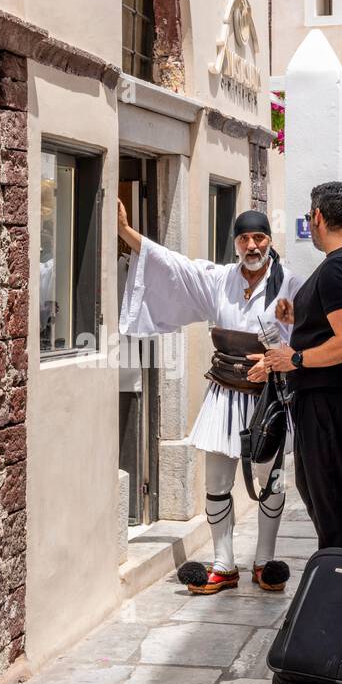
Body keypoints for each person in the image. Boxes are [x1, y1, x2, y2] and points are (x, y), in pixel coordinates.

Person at [118, 201, 302, 595]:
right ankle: (224, 564)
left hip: (269, 398)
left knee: (271, 482)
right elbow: (173, 266)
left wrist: (273, 363)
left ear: (269, 240)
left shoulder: (290, 284)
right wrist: (126, 233)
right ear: (236, 243)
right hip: (225, 393)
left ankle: (265, 561)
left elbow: (305, 337)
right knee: (217, 483)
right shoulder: (220, 279)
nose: (252, 246)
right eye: (245, 239)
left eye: (259, 237)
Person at [254, 181, 342, 550]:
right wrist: (299, 316)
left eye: (310, 217)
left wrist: (293, 357)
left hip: (329, 396)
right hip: (330, 395)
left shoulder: (339, 269)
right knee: (318, 488)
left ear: (318, 217)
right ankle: (338, 568)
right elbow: (337, 324)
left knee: (330, 492)